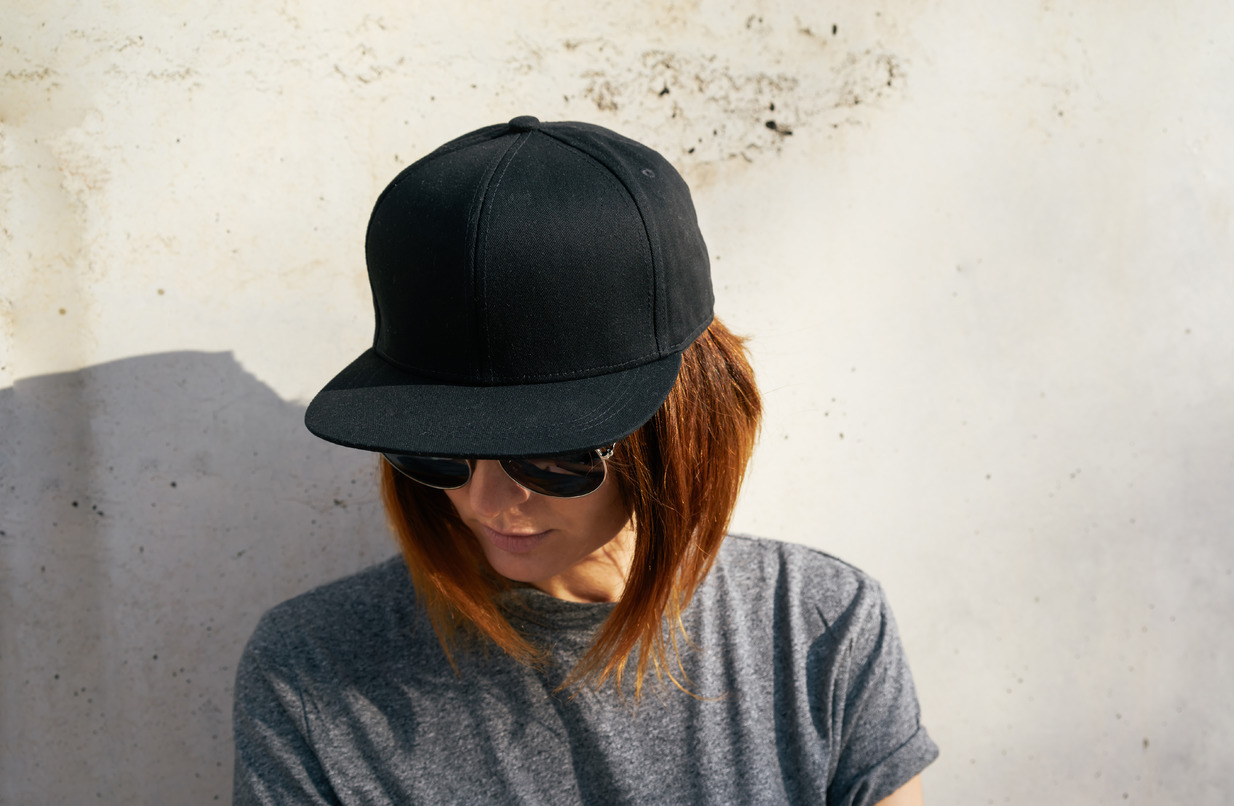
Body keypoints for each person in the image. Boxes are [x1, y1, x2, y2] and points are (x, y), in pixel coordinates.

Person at [232, 115, 938, 805]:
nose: (485, 502)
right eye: (436, 451)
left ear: (684, 423)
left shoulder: (816, 628)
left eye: (547, 456)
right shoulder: (315, 671)